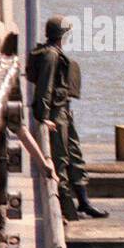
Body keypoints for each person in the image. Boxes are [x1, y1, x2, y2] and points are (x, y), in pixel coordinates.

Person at [28, 15, 108, 220]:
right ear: (61, 34)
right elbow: (44, 88)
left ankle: (84, 202)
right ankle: (65, 209)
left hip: (64, 112)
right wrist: (44, 116)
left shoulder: (55, 53)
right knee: (61, 160)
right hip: (55, 115)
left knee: (75, 155)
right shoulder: (51, 56)